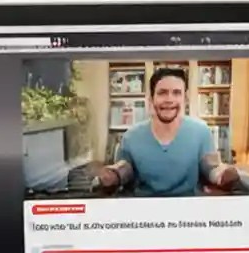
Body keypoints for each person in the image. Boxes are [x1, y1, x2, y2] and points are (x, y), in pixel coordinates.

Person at [96, 67, 240, 196]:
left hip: (188, 215)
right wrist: (112, 175)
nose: (169, 99)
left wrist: (223, 175)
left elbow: (211, 167)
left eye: (176, 93)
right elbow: (124, 168)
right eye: (162, 93)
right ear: (151, 99)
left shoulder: (201, 131)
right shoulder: (131, 136)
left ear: (186, 98)